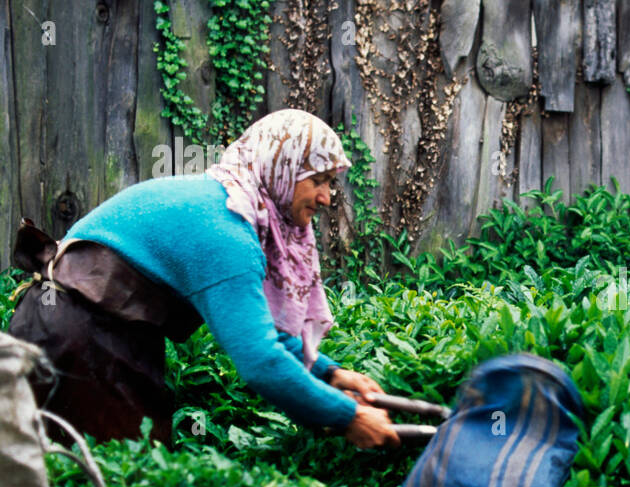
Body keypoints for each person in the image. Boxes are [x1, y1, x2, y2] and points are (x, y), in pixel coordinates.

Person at [8, 109, 399, 449]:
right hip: (76, 336)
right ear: (282, 169)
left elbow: (263, 335)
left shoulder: (235, 206)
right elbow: (261, 362)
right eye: (319, 180)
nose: (329, 197)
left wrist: (332, 374)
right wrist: (350, 417)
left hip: (87, 327)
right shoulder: (228, 233)